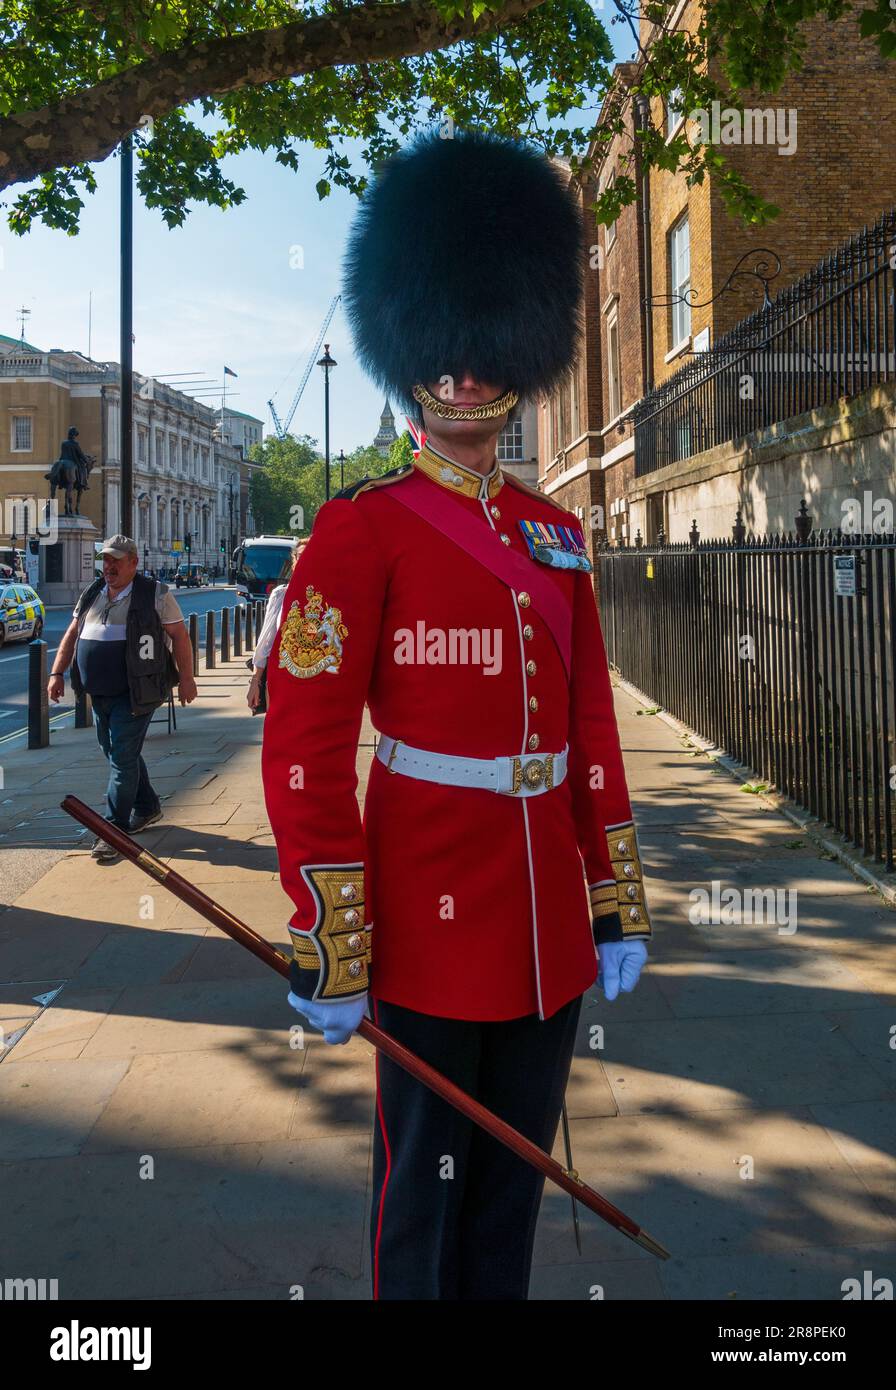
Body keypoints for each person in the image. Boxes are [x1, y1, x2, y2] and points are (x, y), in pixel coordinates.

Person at [262, 128, 651, 1301]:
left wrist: (611, 895)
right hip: (425, 913)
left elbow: (589, 727)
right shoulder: (359, 527)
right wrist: (329, 934)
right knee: (423, 1200)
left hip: (548, 925)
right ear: (409, 348)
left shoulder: (555, 532)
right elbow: (306, 744)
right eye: (444, 348)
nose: (467, 374)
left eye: (488, 347)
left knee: (510, 1192)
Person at [48, 534, 198, 863]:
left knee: (122, 757)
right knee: (116, 751)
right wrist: (56, 673)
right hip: (98, 692)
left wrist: (187, 679)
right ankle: (147, 807)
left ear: (134, 562)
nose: (109, 566)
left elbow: (180, 637)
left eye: (116, 560)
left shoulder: (156, 594)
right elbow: (72, 634)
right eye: (105, 560)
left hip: (137, 692)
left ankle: (113, 829)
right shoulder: (92, 592)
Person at [247, 540, 305, 715]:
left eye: (311, 557)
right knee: (280, 734)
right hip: (281, 678)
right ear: (293, 561)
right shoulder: (281, 594)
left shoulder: (331, 597)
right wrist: (255, 681)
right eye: (300, 557)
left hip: (318, 683)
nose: (304, 562)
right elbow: (266, 641)